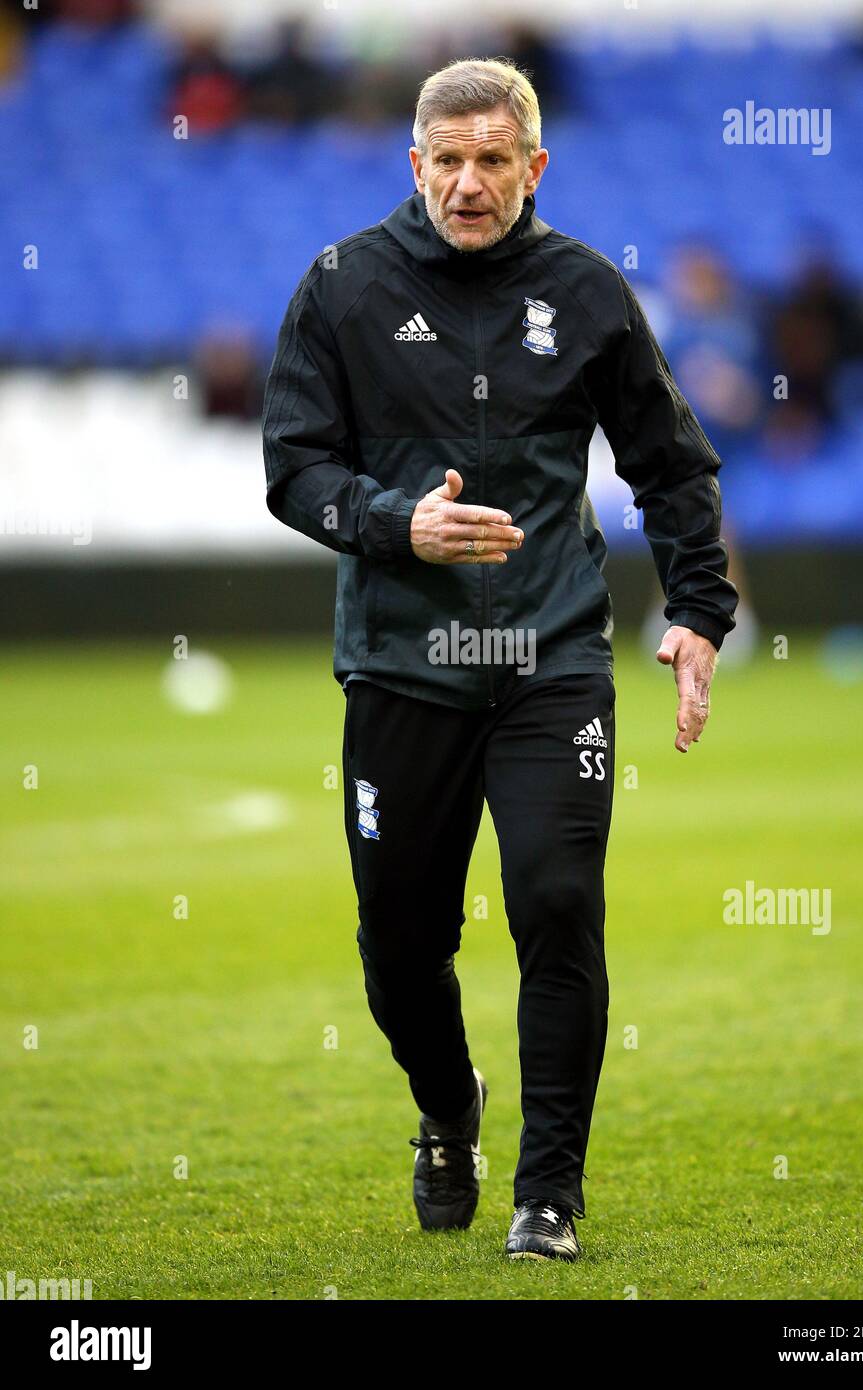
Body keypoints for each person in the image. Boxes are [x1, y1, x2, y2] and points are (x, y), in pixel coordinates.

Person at [262, 57, 738, 1262]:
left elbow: (670, 464)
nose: (469, 183)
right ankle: (446, 1104)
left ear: (536, 164)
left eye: (494, 159)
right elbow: (293, 469)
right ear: (413, 163)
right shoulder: (340, 288)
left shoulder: (587, 292)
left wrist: (698, 607)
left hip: (550, 659)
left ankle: (549, 1195)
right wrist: (394, 522)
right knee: (400, 947)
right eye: (448, 160)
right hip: (401, 666)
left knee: (560, 904)